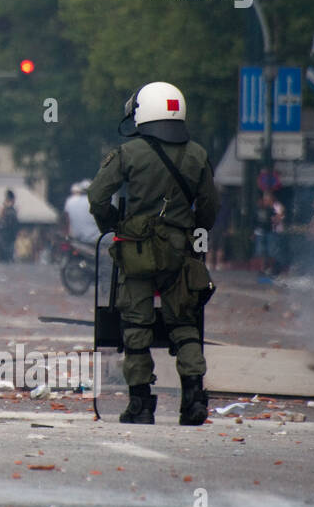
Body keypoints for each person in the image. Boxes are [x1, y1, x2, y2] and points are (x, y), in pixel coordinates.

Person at [88, 81, 218, 426]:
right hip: (181, 254)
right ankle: (193, 401)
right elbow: (209, 208)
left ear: (145, 113)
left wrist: (114, 224)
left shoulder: (128, 154)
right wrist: (191, 231)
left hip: (137, 252)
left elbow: (97, 196)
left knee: (135, 326)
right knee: (185, 324)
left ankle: (141, 405)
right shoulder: (198, 155)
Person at [64, 181, 101, 245]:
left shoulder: (71, 201)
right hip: (96, 240)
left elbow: (67, 219)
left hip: (77, 239)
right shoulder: (95, 201)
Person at [0, 190, 19, 262]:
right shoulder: (11, 210)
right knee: (8, 254)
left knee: (7, 254)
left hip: (6, 235)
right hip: (8, 235)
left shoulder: (8, 210)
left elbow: (0, 221)